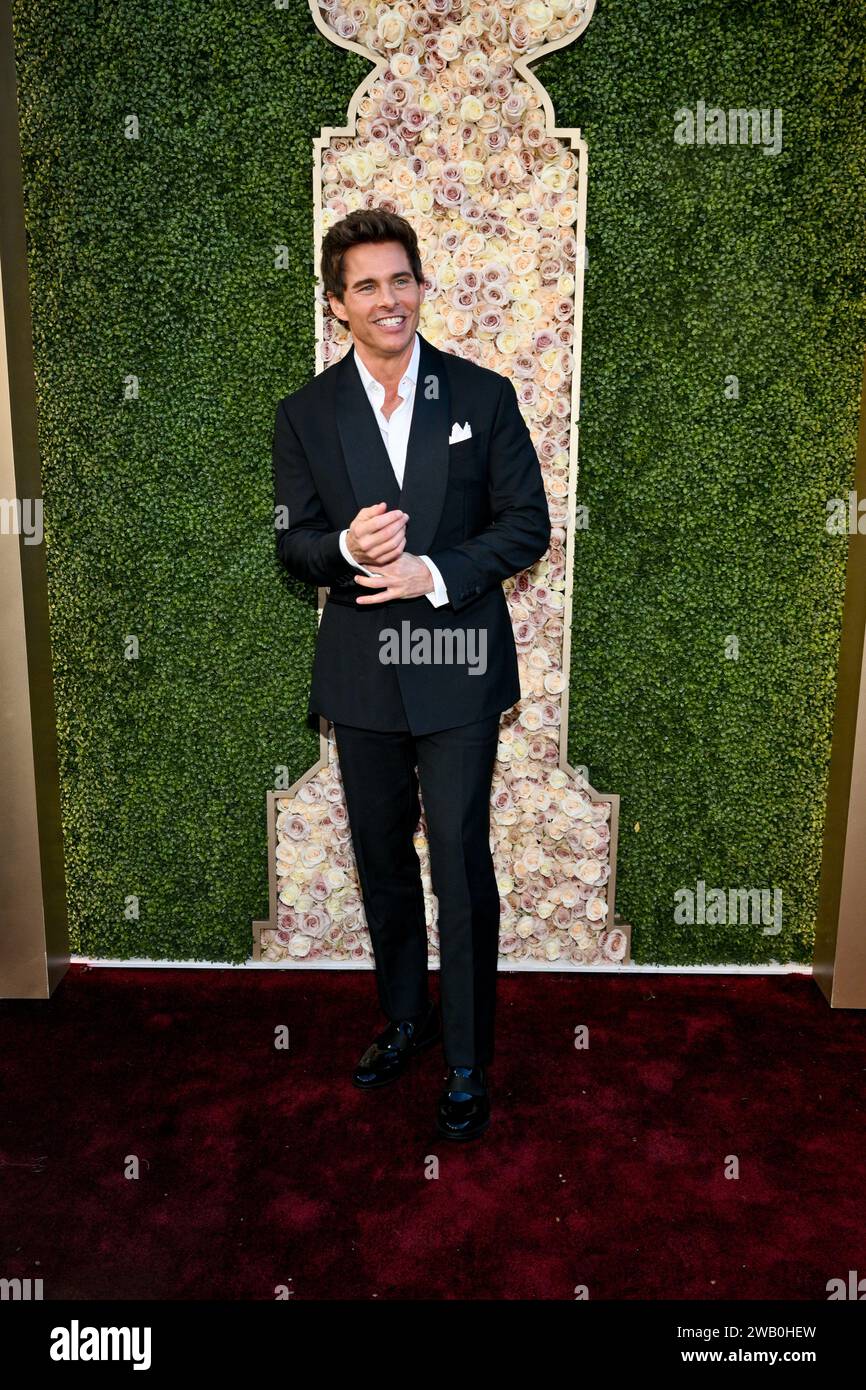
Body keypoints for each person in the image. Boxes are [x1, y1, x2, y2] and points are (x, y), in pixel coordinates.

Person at [272, 209, 550, 1140]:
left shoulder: (484, 394)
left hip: (459, 664)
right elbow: (293, 542)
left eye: (402, 280)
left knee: (462, 867)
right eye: (366, 286)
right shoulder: (305, 414)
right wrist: (344, 547)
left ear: (422, 286)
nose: (388, 300)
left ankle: (468, 1057)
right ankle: (405, 1021)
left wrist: (431, 572)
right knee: (384, 862)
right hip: (361, 675)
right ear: (337, 303)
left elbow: (525, 527)